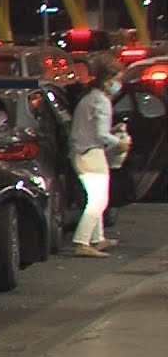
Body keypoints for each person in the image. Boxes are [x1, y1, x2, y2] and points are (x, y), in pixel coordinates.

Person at [69, 52, 131, 258]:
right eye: (117, 79)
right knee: (98, 200)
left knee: (96, 198)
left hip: (81, 152)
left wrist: (112, 133)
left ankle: (98, 238)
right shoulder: (101, 102)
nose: (118, 84)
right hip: (91, 155)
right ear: (108, 80)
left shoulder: (90, 98)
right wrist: (119, 141)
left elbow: (93, 129)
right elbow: (100, 134)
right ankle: (82, 241)